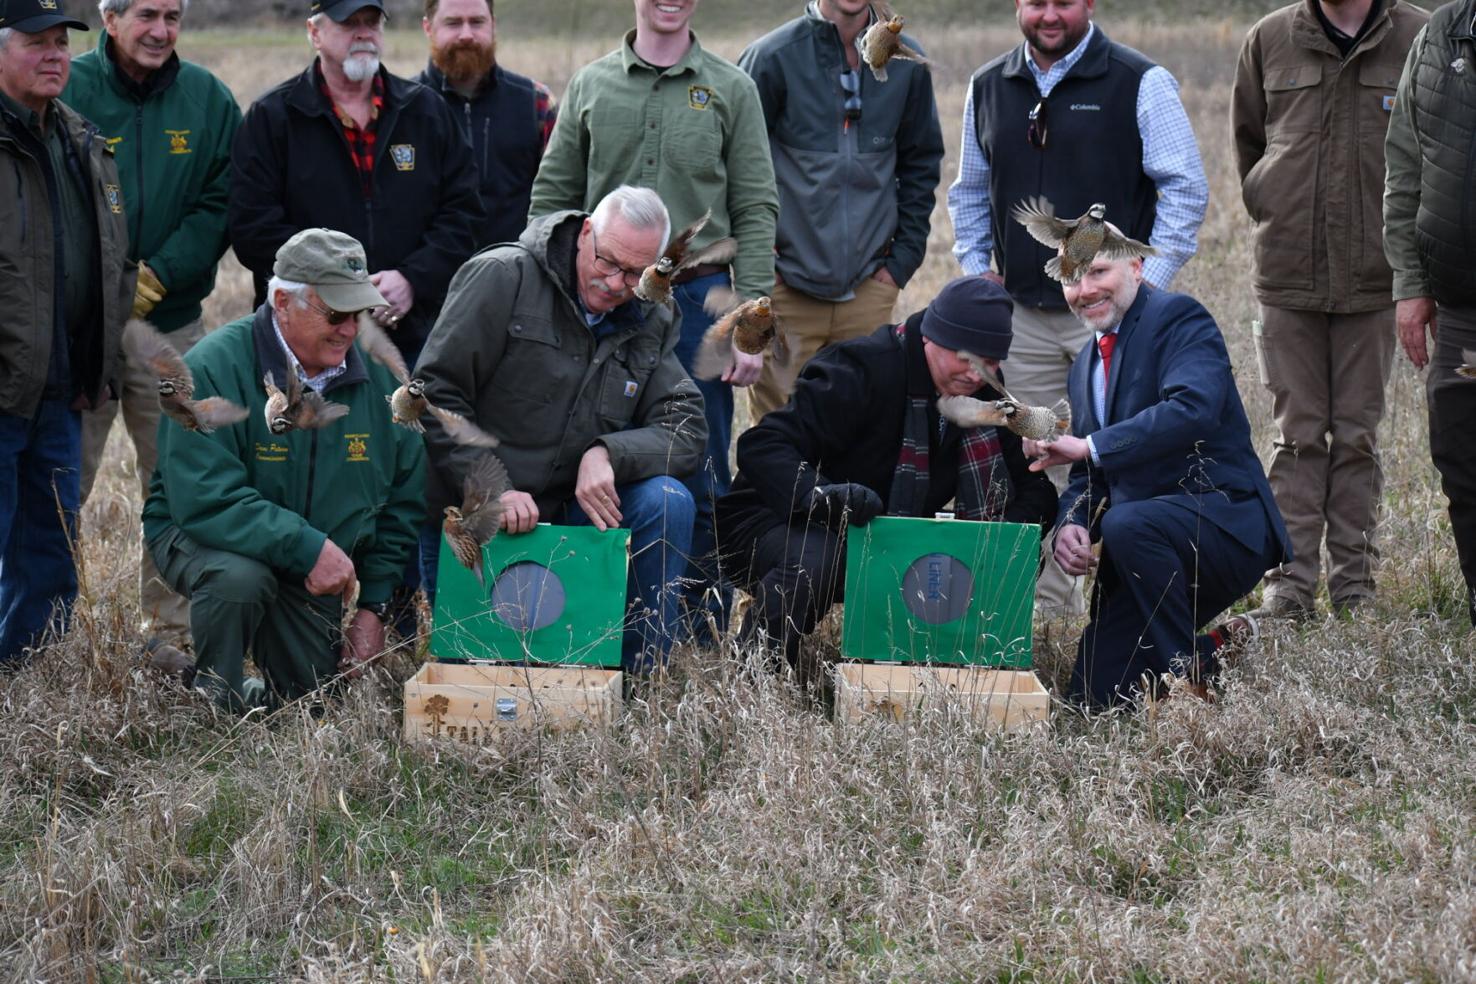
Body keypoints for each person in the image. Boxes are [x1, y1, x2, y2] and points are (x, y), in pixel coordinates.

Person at [946, 0, 1208, 614]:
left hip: (1117, 320)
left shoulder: (1141, 81)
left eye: (1064, 1)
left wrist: (1138, 287)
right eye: (1036, 2)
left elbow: (1186, 188)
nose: (1049, 15)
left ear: (1089, 4)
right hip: (1024, 320)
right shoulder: (987, 86)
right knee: (1036, 458)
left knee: (1127, 455)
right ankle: (1052, 614)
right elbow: (967, 193)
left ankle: (1138, 604)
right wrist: (978, 277)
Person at [526, 0, 778, 634]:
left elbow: (755, 206)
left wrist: (751, 322)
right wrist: (542, 286)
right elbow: (553, 196)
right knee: (584, 431)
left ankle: (697, 612)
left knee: (701, 453)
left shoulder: (731, 88)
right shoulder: (590, 84)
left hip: (697, 303)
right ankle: (588, 599)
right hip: (600, 292)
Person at [416, 186, 704, 673]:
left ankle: (634, 681)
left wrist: (608, 452)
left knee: (667, 500)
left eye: (636, 272)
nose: (617, 284)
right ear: (585, 232)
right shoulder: (502, 276)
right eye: (608, 262)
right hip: (479, 516)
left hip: (574, 516)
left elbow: (688, 425)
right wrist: (492, 490)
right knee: (489, 683)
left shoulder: (652, 313)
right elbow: (434, 394)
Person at [716, 277, 1059, 675]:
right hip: (776, 518)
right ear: (931, 337)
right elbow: (762, 445)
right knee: (818, 555)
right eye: (964, 358)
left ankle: (960, 663)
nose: (975, 374)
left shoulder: (985, 398)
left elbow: (1032, 487)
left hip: (878, 534)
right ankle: (756, 667)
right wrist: (820, 495)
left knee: (1011, 546)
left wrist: (1002, 541)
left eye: (991, 362)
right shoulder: (858, 368)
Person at [142, 228, 425, 710]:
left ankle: (190, 673)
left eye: (357, 314)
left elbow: (401, 500)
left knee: (311, 702)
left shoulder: (385, 384)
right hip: (203, 536)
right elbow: (205, 498)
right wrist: (308, 547)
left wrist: (373, 606)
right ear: (281, 301)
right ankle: (215, 691)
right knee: (240, 578)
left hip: (308, 561)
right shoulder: (209, 369)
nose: (349, 330)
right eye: (334, 314)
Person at [1231, 0, 1427, 622]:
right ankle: (1289, 588)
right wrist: (1275, 202)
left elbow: (1434, 151)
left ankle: (1354, 589)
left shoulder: (1418, 36)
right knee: (1297, 437)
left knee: (1358, 439)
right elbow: (1248, 145)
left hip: (1376, 277)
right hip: (1289, 275)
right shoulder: (1269, 37)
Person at [1026, 255, 1290, 709]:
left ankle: (1189, 684)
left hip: (1222, 526)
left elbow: (1194, 408)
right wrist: (1074, 524)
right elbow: (1091, 474)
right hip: (1143, 551)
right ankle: (1218, 648)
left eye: (1097, 272)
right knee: (1092, 698)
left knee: (1127, 524)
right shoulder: (1084, 364)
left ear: (1135, 266)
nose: (1084, 289)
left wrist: (1090, 445)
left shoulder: (1179, 318)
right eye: (1070, 279)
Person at [66, 0, 244, 656]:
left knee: (176, 481)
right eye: (146, 13)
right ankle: (41, 627)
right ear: (108, 18)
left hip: (169, 328)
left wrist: (156, 275)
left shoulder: (208, 101)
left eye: (172, 14)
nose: (161, 29)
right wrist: (101, 287)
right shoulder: (68, 88)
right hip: (75, 330)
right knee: (58, 480)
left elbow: (221, 200)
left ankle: (170, 633)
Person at [229, 0, 482, 366]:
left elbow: (464, 213)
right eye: (349, 23)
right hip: (306, 335)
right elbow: (251, 228)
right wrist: (337, 286)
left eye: (372, 22)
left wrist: (412, 278)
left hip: (411, 336)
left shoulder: (426, 112)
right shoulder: (272, 118)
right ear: (314, 33)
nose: (364, 33)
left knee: (410, 424)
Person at [0, 1, 133, 667]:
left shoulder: (82, 140)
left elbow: (109, 259)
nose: (54, 55)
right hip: (3, 389)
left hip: (58, 390)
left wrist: (96, 366)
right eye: (35, 42)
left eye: (60, 42)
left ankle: (28, 670)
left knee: (49, 545)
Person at [736, 0, 943, 420]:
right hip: (785, 291)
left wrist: (900, 263)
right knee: (778, 434)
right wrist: (760, 268)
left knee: (861, 431)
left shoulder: (907, 62)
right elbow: (734, 168)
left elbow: (921, 165)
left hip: (869, 288)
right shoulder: (771, 58)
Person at [1384, 0, 1476, 627]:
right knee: (1463, 459)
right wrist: (1413, 281)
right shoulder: (1445, 31)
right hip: (1463, 306)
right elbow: (1406, 161)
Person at [417, 0, 556, 249]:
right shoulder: (404, 107)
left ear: (493, 25)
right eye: (453, 23)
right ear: (428, 28)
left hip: (514, 276)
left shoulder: (537, 103)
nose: (467, 35)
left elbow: (558, 198)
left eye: (477, 22)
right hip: (427, 281)